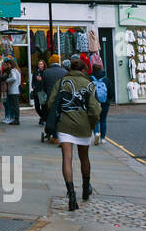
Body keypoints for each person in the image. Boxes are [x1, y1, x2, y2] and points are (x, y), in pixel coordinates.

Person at [46, 56, 101, 210]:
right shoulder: (88, 84)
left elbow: (51, 103)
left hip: (65, 125)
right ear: (83, 70)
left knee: (67, 159)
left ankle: (71, 196)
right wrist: (92, 123)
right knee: (84, 158)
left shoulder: (62, 82)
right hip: (84, 125)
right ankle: (85, 188)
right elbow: (95, 109)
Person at [40, 55, 69, 142]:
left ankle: (52, 134)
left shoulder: (46, 72)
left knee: (51, 116)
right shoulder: (64, 72)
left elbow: (43, 87)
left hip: (50, 98)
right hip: (62, 98)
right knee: (61, 116)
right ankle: (60, 134)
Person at [92, 64, 111, 144]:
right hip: (105, 102)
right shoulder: (106, 79)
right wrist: (108, 100)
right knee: (103, 120)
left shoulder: (90, 78)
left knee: (95, 119)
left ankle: (96, 133)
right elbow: (111, 91)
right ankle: (103, 138)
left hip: (94, 102)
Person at [5, 61, 22, 125]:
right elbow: (19, 81)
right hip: (16, 89)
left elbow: (14, 78)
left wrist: (7, 80)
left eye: (8, 64)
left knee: (15, 106)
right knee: (16, 106)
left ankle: (16, 120)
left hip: (13, 90)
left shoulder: (13, 70)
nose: (8, 66)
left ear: (11, 64)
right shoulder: (18, 70)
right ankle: (16, 119)